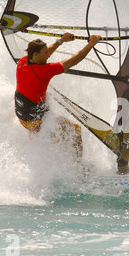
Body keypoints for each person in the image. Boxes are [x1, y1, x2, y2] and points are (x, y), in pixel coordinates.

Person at [14, 33, 101, 162]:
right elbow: (74, 60)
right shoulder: (44, 71)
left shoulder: (22, 62)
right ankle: (79, 167)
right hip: (35, 121)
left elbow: (46, 52)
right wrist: (91, 44)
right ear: (36, 55)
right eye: (45, 53)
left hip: (22, 117)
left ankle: (39, 151)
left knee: (49, 126)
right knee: (75, 130)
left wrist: (61, 41)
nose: (48, 55)